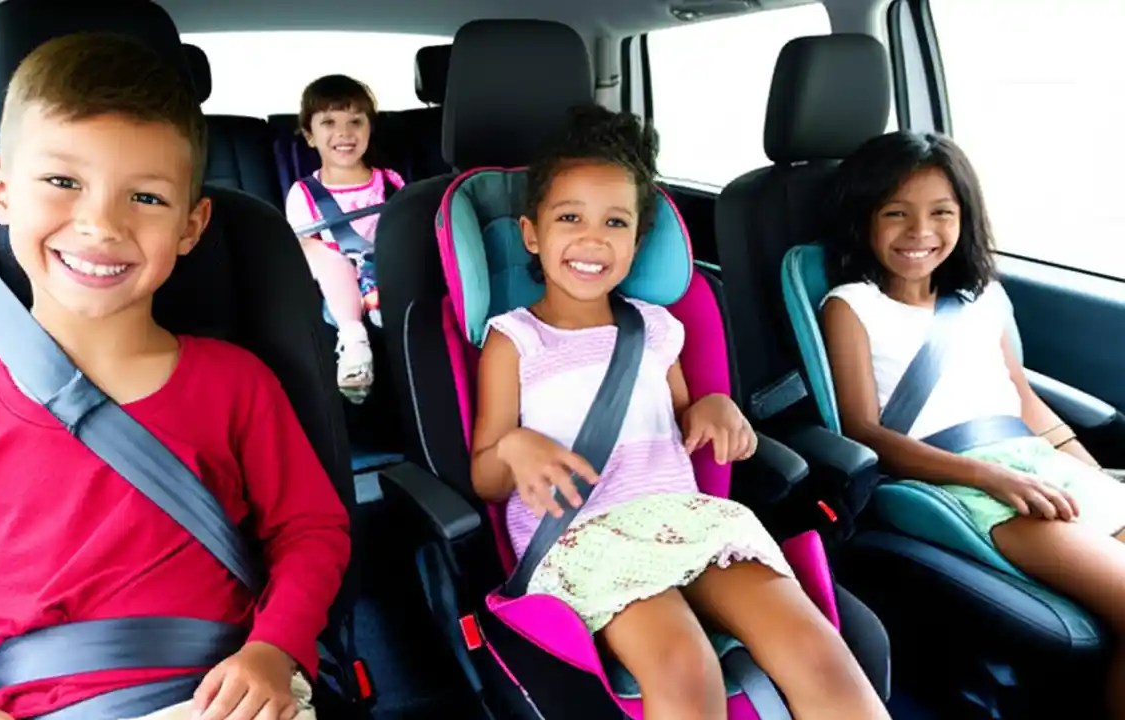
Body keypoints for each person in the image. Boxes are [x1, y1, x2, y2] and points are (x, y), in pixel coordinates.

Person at [0, 33, 349, 720]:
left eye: (145, 197)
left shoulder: (236, 384)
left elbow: (310, 531)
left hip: (221, 697)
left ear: (191, 226)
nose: (102, 224)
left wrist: (274, 648)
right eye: (63, 183)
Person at [469, 105, 888, 720]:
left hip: (683, 520)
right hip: (586, 536)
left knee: (817, 647)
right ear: (532, 234)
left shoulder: (657, 328)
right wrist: (513, 447)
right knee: (685, 667)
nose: (592, 239)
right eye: (569, 218)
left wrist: (716, 407)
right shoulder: (515, 339)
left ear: (638, 240)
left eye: (615, 222)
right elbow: (485, 476)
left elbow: (685, 414)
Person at [820, 130, 1125, 717]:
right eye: (896, 213)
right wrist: (989, 477)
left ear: (965, 217)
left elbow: (1024, 402)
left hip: (1037, 464)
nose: (920, 231)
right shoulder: (852, 305)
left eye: (941, 213)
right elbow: (863, 430)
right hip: (961, 483)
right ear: (865, 219)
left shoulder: (980, 297)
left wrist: (1094, 476)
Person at [284, 75, 405, 405]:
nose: (344, 133)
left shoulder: (390, 181)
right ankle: (354, 341)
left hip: (386, 273)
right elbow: (305, 252)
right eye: (329, 123)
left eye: (355, 121)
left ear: (369, 128)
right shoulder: (304, 193)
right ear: (310, 136)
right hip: (336, 285)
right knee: (311, 249)